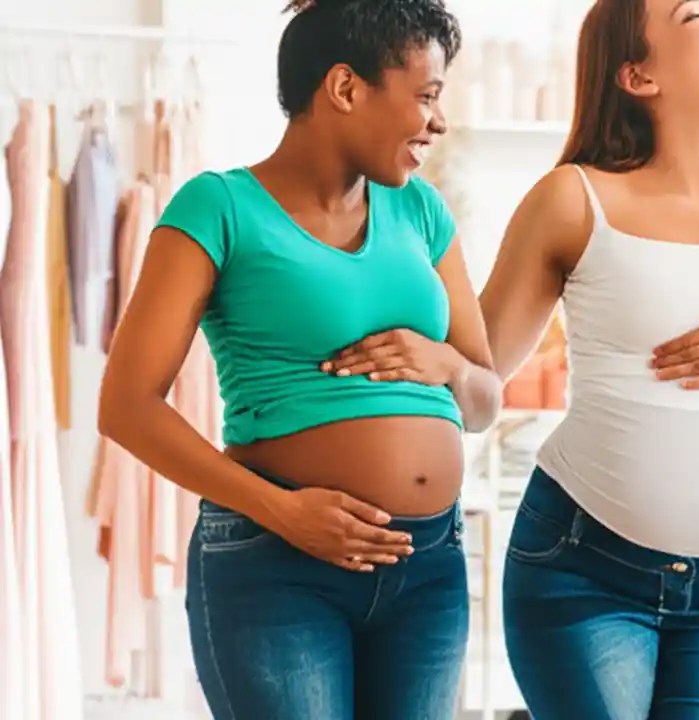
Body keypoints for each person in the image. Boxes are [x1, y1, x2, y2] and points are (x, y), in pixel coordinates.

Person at [97, 1, 499, 718]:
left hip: (428, 568)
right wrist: (285, 513)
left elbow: (484, 399)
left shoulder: (423, 213)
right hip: (276, 563)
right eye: (427, 96)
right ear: (345, 88)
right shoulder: (217, 208)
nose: (438, 123)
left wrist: (446, 365)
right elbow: (127, 407)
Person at [477, 0, 699, 717]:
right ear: (637, 74)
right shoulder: (572, 200)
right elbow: (476, 375)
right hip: (582, 569)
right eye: (694, 16)